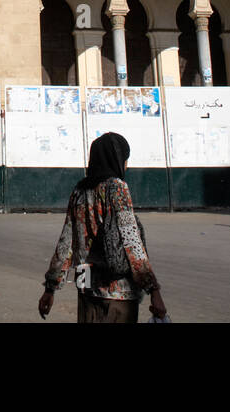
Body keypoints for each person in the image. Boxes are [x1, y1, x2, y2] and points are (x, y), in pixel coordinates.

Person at [39, 132, 167, 323]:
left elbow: (66, 243)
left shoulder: (79, 191)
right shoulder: (116, 188)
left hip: (86, 287)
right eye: (125, 159)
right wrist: (154, 290)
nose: (126, 165)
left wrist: (50, 288)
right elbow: (131, 241)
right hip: (116, 291)